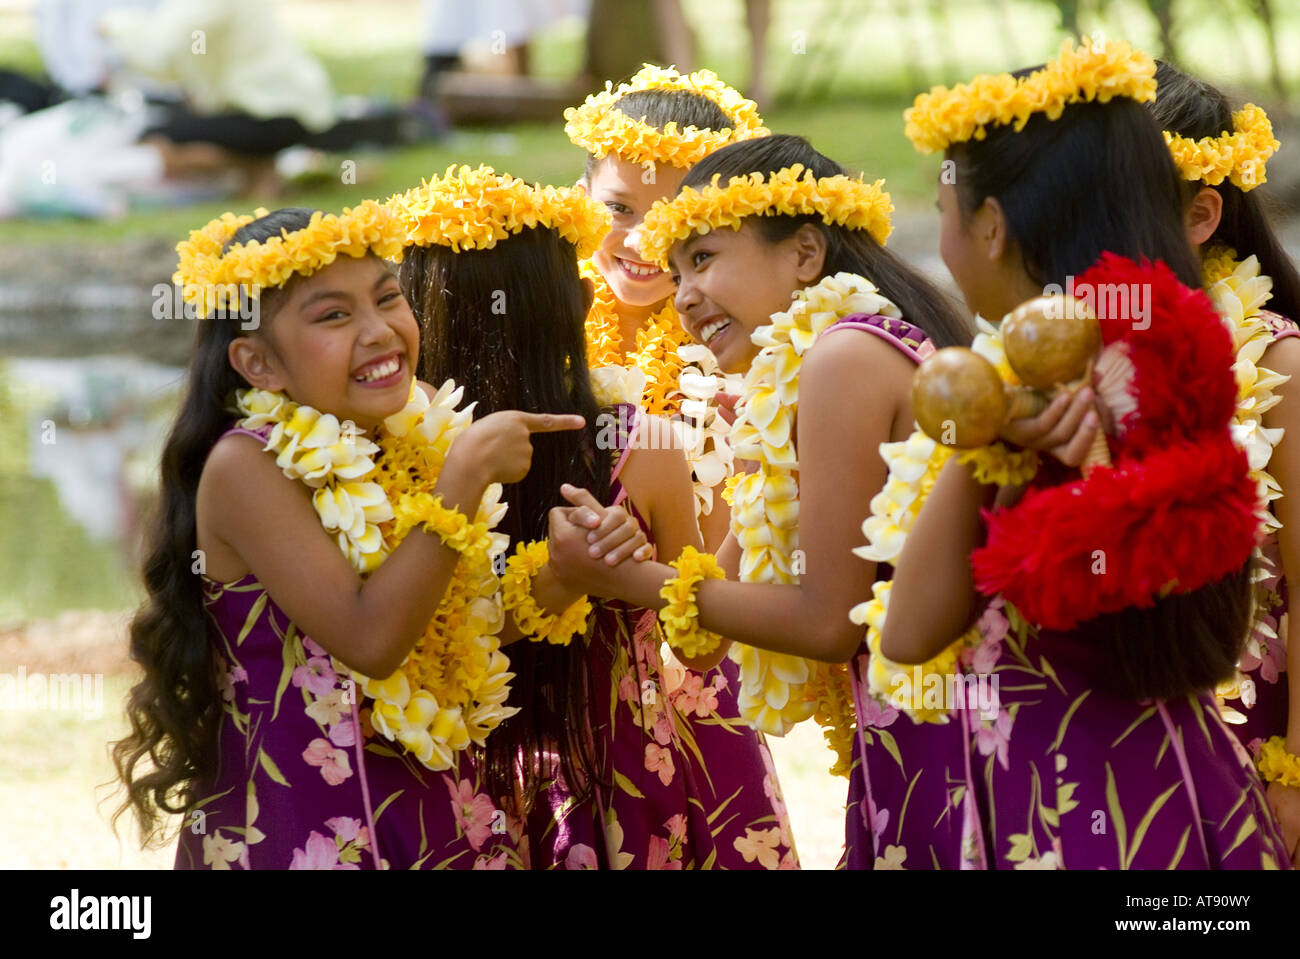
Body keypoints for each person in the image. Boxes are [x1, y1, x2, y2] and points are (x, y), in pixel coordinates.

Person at [111, 201, 642, 868]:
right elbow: (371, 639)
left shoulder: (407, 433)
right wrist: (464, 476)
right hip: (300, 829)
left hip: (434, 818)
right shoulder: (246, 466)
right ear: (258, 362)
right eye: (334, 315)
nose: (378, 329)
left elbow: (446, 625)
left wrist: (564, 573)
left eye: (388, 298)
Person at [879, 37, 1290, 868]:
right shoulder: (1161, 354)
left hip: (1079, 810)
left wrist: (994, 455)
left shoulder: (1093, 381)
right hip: (1157, 792)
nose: (945, 237)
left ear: (991, 227)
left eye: (946, 205)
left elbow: (910, 631)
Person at [545, 131, 971, 866]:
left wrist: (625, 578)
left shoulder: (844, 358)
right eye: (677, 272)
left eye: (704, 259)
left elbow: (827, 620)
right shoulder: (805, 377)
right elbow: (709, 624)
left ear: (806, 253)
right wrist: (631, 550)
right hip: (913, 733)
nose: (682, 296)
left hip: (956, 736)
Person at [389, 164, 797, 868]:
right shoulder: (643, 445)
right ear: (578, 303)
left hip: (447, 784)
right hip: (624, 779)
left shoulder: (393, 459)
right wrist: (758, 479)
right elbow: (699, 650)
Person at [1151, 60, 1300, 866]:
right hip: (1116, 738)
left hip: (1248, 734)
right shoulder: (1072, 348)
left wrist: (1296, 772)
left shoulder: (1276, 363)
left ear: (1202, 214)